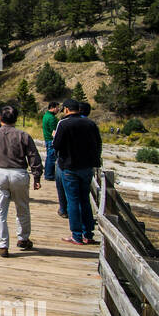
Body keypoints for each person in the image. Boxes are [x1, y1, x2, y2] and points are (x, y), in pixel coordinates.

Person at [0, 105, 43, 257]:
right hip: (19, 172)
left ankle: (2, 245)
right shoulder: (23, 135)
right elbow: (33, 156)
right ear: (16, 119)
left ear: (0, 118)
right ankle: (23, 238)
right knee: (22, 207)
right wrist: (37, 176)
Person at [51, 98, 102, 245]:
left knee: (73, 201)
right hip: (87, 167)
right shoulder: (90, 123)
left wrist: (55, 137)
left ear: (66, 109)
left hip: (70, 167)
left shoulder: (64, 123)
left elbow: (56, 145)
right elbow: (98, 143)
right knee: (85, 200)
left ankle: (77, 235)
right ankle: (88, 234)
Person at [41, 102, 59, 181]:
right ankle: (49, 175)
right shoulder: (52, 118)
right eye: (57, 108)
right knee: (51, 158)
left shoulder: (46, 116)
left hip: (47, 138)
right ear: (53, 108)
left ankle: (47, 173)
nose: (58, 109)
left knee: (49, 157)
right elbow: (54, 131)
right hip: (51, 140)